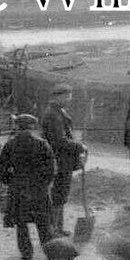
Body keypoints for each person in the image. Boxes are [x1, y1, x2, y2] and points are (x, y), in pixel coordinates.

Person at [0, 114, 55, 260]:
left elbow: (1, 169)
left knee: (21, 224)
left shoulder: (10, 145)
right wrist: (43, 184)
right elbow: (50, 170)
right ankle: (50, 254)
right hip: (38, 189)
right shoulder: (42, 144)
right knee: (43, 223)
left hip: (18, 188)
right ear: (33, 126)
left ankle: (26, 255)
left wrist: (11, 182)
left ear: (17, 127)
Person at [41, 86, 87, 236]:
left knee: (60, 195)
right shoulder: (52, 115)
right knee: (58, 196)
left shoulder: (58, 113)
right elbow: (59, 141)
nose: (70, 99)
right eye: (68, 96)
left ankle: (57, 228)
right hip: (58, 161)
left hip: (63, 160)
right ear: (58, 96)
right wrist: (79, 146)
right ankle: (54, 229)